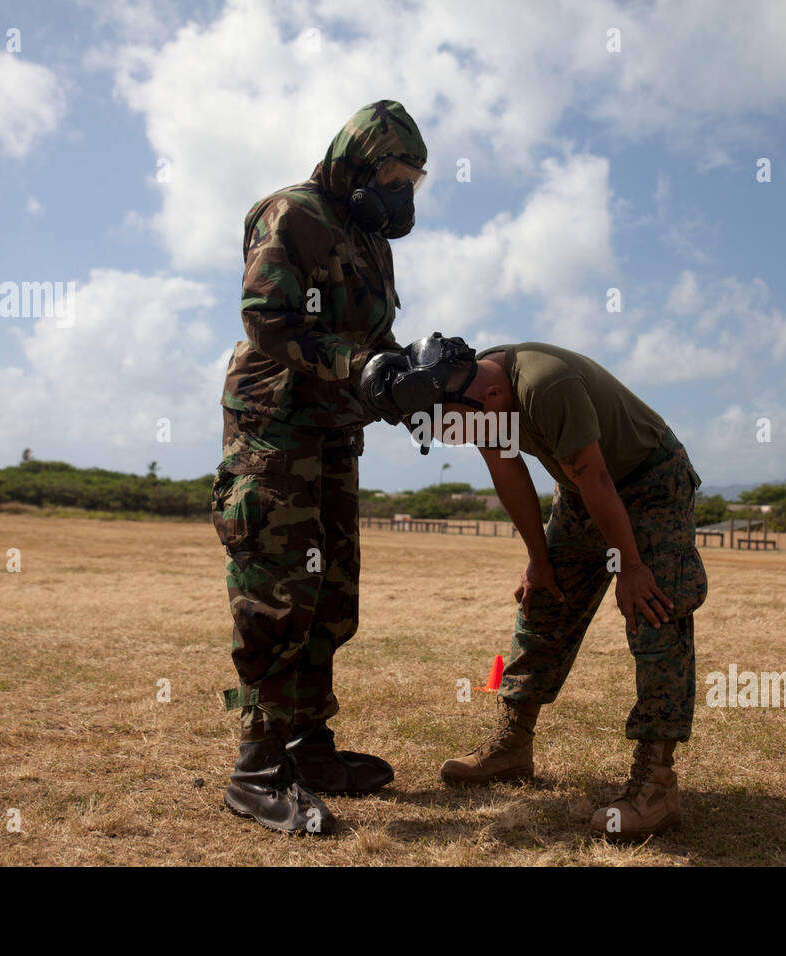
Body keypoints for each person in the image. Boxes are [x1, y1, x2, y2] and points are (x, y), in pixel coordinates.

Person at [360, 336, 707, 840]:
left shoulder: (546, 384)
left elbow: (597, 476)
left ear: (493, 399)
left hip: (649, 483)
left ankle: (657, 784)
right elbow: (510, 474)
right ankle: (512, 746)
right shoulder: (467, 388)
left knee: (652, 612)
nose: (460, 437)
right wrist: (537, 561)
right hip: (581, 487)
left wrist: (630, 566)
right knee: (542, 601)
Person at [211, 100, 427, 835]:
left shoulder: (371, 240)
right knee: (279, 594)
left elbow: (370, 335)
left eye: (413, 183)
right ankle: (256, 768)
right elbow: (267, 320)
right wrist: (359, 364)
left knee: (331, 598)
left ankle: (308, 746)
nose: (402, 195)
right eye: (394, 177)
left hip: (335, 433)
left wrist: (407, 372)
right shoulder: (291, 213)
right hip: (275, 431)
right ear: (355, 164)